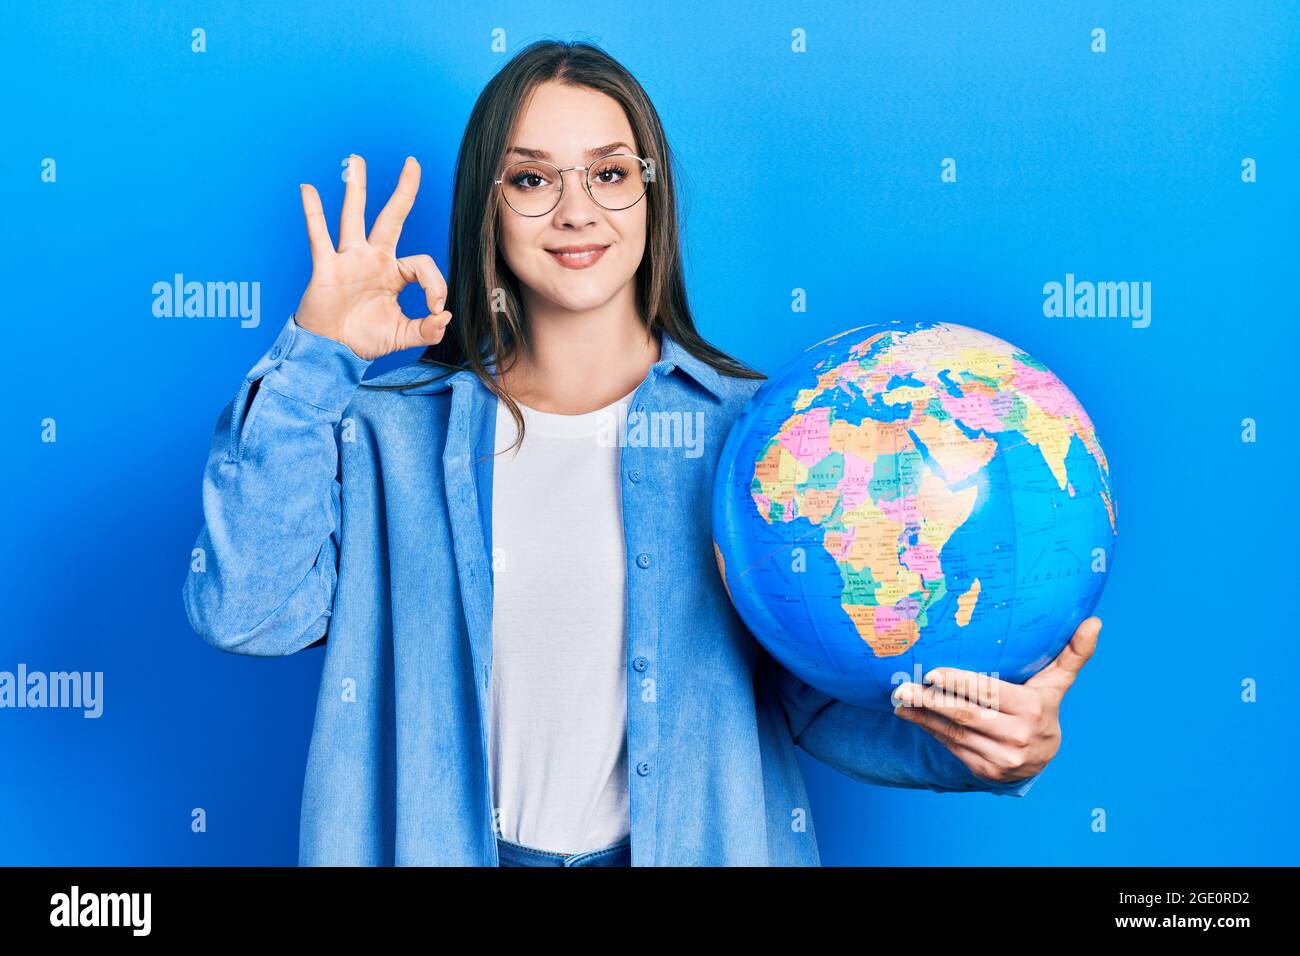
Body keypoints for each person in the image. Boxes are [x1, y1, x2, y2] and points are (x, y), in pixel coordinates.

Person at [182, 39, 1099, 867]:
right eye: (532, 179)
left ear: (651, 193)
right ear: (487, 207)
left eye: (611, 173)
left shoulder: (760, 438)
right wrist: (316, 355)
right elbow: (247, 612)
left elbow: (810, 692)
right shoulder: (389, 430)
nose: (577, 210)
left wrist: (978, 746)